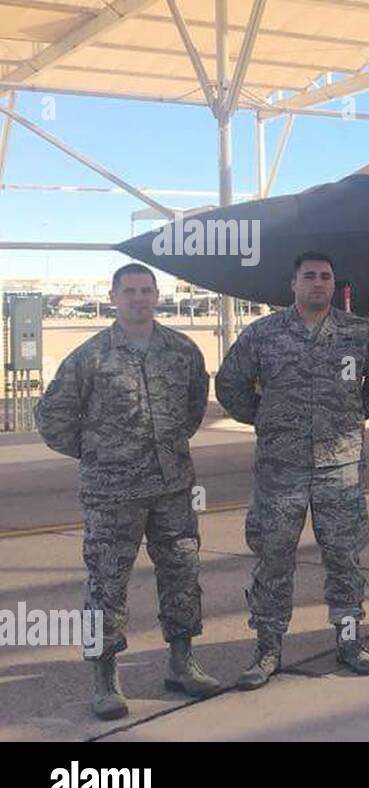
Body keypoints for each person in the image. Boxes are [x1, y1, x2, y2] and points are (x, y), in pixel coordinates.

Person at [36, 263, 218, 719]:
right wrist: (99, 452)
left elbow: (194, 408)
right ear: (114, 297)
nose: (139, 298)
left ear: (157, 296)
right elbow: (52, 419)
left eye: (146, 290)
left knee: (181, 573)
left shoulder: (182, 351)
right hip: (112, 494)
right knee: (106, 584)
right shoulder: (90, 356)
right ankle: (104, 677)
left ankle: (181, 662)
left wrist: (165, 448)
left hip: (172, 487)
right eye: (130, 291)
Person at [216, 251, 369, 689]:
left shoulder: (358, 333)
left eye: (326, 277)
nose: (318, 283)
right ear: (293, 283)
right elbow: (229, 385)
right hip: (281, 469)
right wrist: (265, 419)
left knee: (344, 560)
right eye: (310, 276)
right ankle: (266, 649)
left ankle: (351, 643)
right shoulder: (264, 334)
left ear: (333, 284)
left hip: (340, 468)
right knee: (273, 561)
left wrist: (353, 415)